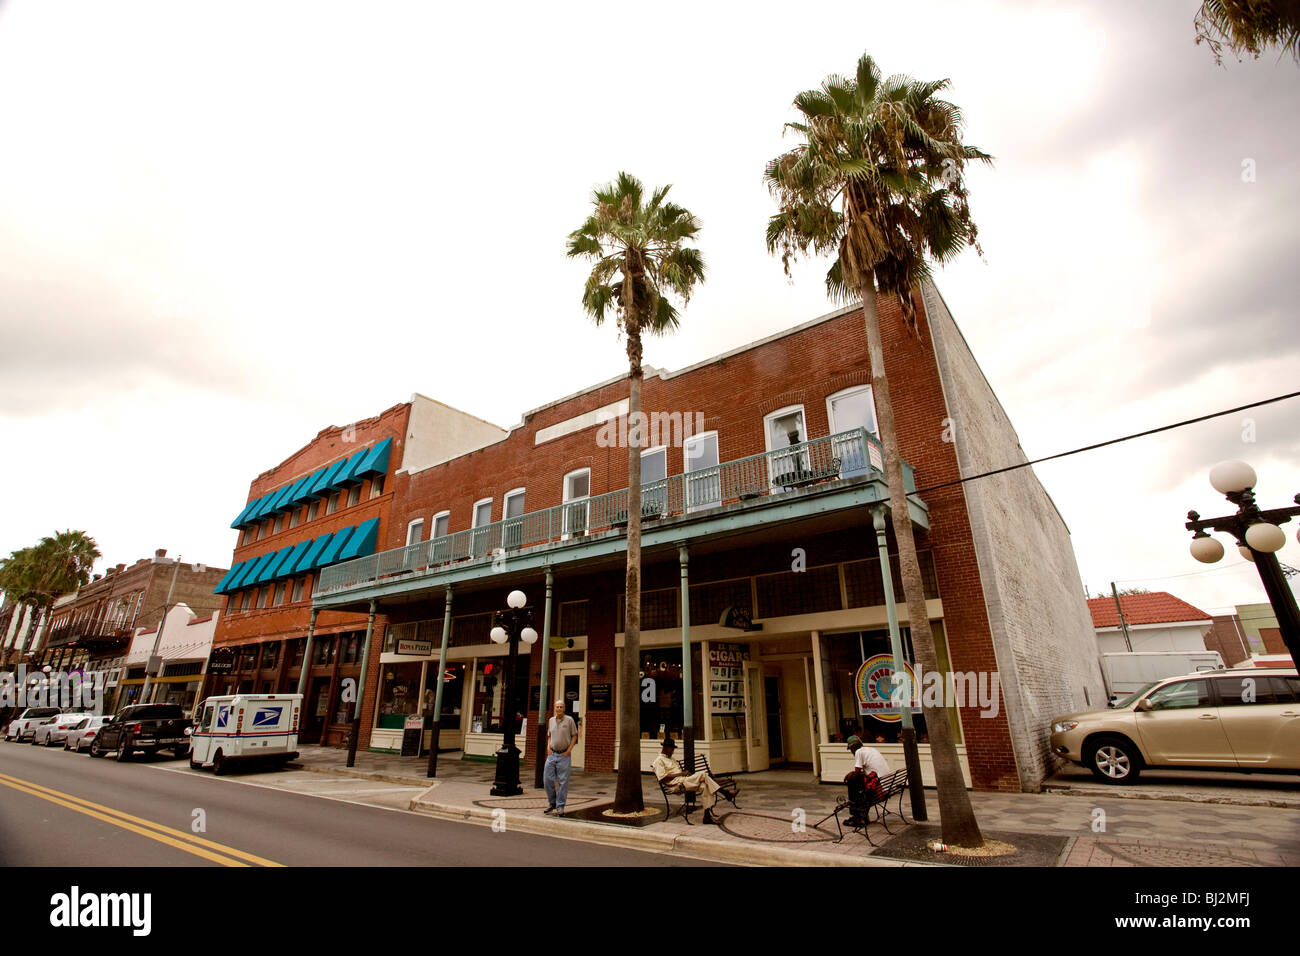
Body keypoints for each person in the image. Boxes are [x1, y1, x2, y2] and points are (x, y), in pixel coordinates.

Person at [651, 736, 731, 824]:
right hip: (676, 785)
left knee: (705, 786)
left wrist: (685, 774)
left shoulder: (671, 759)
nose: (673, 751)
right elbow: (663, 778)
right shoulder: (658, 761)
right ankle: (725, 793)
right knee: (703, 774)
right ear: (665, 748)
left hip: (683, 781)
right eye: (671, 749)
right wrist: (681, 774)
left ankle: (707, 817)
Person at [844, 735, 890, 825]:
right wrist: (852, 773)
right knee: (857, 783)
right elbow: (864, 772)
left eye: (850, 750)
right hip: (887, 785)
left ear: (853, 747)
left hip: (879, 789)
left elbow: (857, 774)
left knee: (852, 782)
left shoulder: (859, 752)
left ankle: (857, 816)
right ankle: (861, 815)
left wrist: (849, 775)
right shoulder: (871, 749)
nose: (851, 752)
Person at [543, 699, 579, 816]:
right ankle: (552, 803)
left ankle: (560, 806)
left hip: (564, 755)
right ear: (554, 708)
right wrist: (548, 747)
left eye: (561, 707)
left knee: (563, 782)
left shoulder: (569, 720)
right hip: (552, 754)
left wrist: (569, 750)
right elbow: (549, 736)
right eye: (557, 707)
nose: (559, 709)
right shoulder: (551, 720)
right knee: (547, 779)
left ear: (564, 708)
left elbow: (574, 736)